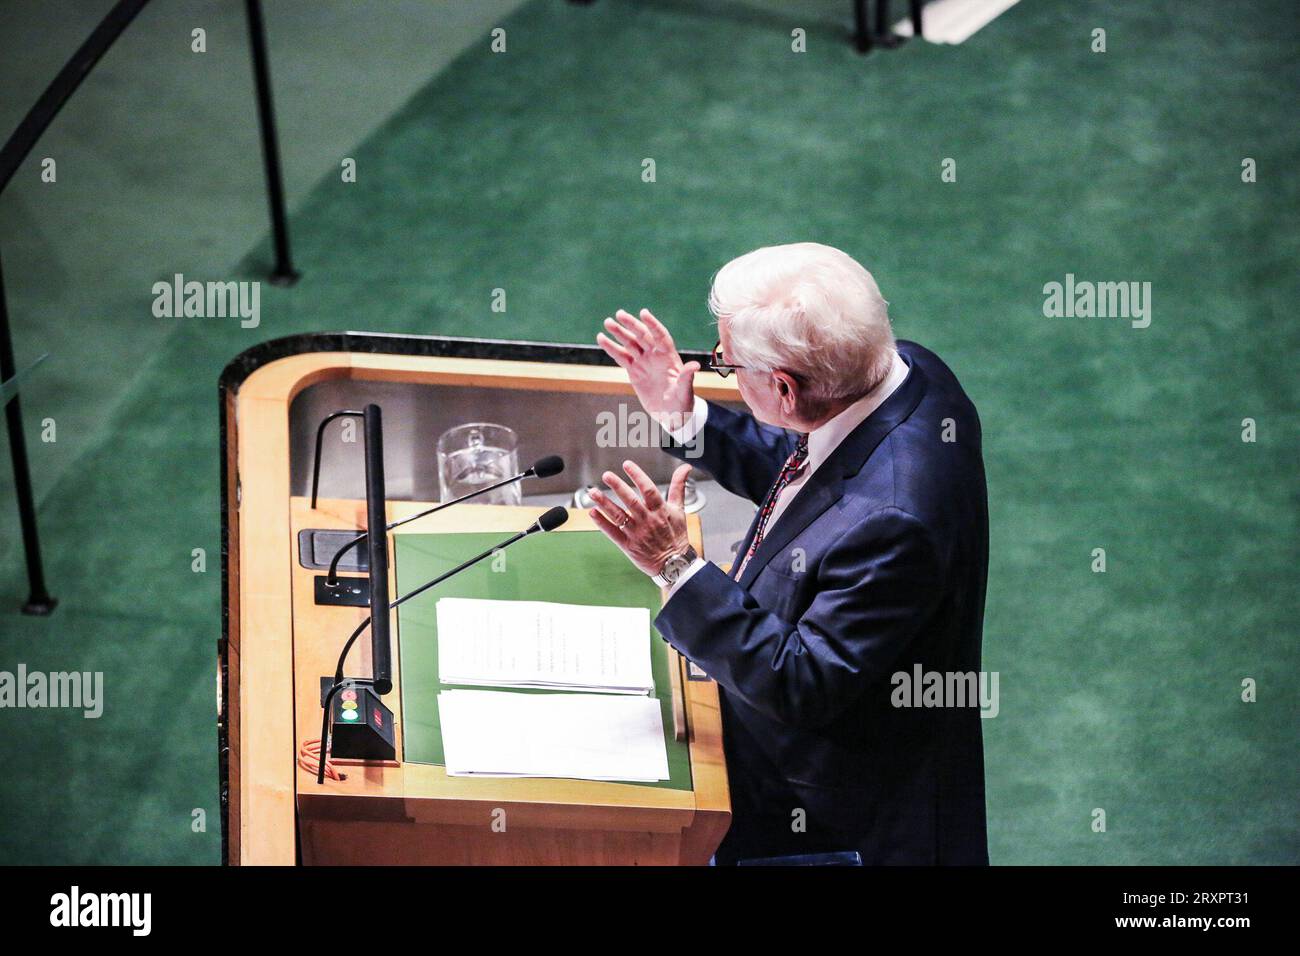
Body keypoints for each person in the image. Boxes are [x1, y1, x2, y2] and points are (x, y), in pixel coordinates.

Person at [590, 242, 989, 864]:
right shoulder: (905, 373)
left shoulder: (893, 521)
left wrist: (674, 565)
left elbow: (803, 682)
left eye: (726, 363)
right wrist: (685, 414)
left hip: (830, 822)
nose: (719, 365)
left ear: (782, 387)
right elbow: (812, 472)